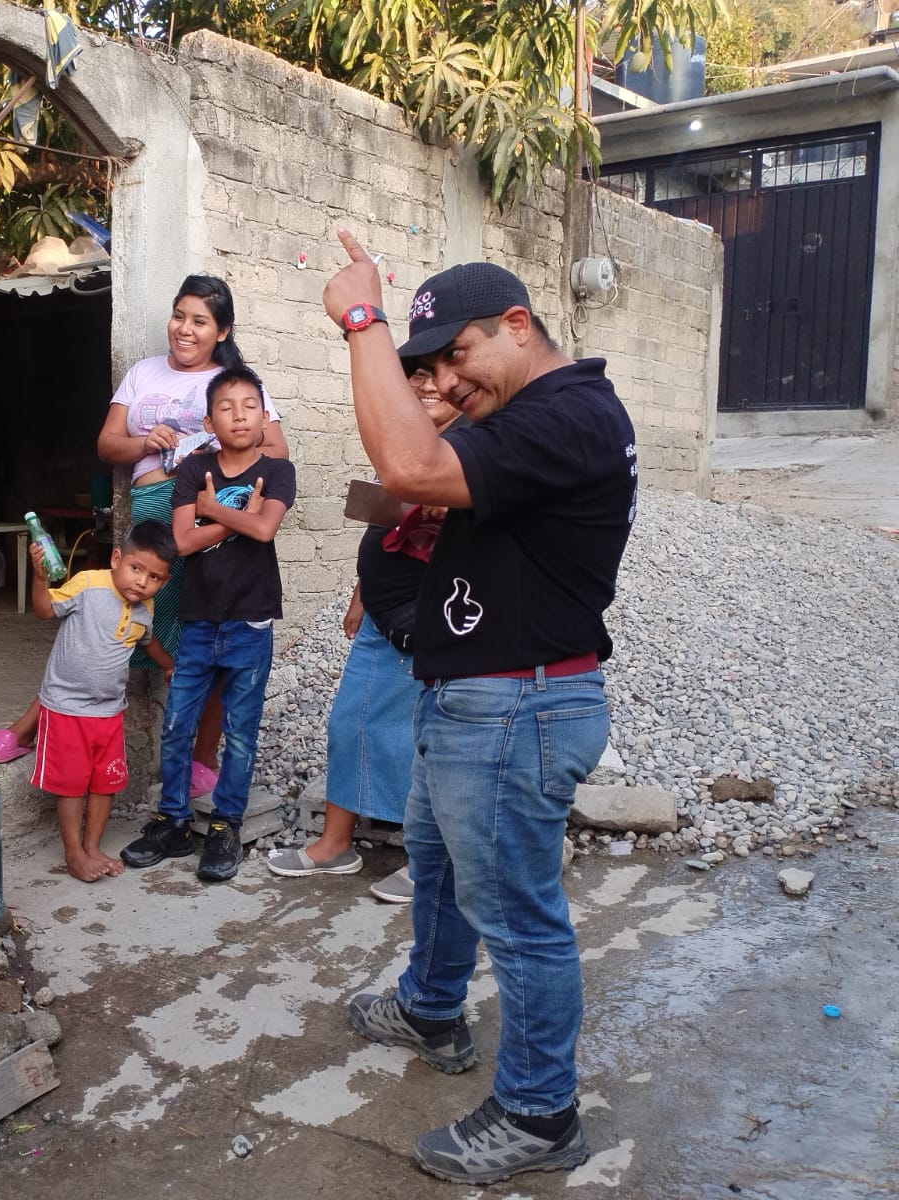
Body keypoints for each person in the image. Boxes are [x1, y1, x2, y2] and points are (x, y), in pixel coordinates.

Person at [321, 239, 636, 1186]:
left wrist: (362, 319)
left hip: (516, 708)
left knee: (518, 916)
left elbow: (410, 465)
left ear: (516, 323)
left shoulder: (571, 411)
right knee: (437, 862)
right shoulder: (534, 418)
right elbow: (414, 477)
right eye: (430, 371)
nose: (448, 385)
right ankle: (431, 1005)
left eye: (456, 358)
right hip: (478, 698)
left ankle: (541, 1114)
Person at [0, 276, 289, 781]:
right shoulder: (143, 372)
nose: (185, 329)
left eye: (200, 321)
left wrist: (219, 450)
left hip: (207, 510)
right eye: (179, 315)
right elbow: (106, 445)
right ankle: (31, 727)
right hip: (150, 512)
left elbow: (277, 451)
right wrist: (146, 443)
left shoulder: (237, 386)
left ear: (222, 331)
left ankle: (203, 758)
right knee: (105, 620)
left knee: (207, 633)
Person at [265, 368, 463, 903]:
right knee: (349, 722)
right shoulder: (410, 448)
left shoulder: (469, 454)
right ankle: (336, 844)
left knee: (416, 738)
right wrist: (361, 592)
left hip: (426, 624)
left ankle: (429, 861)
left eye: (436, 376)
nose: (425, 386)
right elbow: (388, 529)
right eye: (415, 376)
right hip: (381, 613)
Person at [119, 365, 297, 883]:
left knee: (240, 733)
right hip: (198, 620)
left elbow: (265, 530)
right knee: (177, 727)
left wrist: (211, 510)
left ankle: (225, 827)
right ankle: (171, 821)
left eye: (249, 407)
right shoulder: (196, 468)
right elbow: (183, 542)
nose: (238, 416)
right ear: (207, 419)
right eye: (226, 407)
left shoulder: (278, 470)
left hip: (251, 620)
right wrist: (232, 514)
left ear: (265, 417)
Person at [28, 520, 176, 882]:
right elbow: (46, 610)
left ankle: (92, 846)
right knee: (72, 785)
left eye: (155, 577)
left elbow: (146, 640)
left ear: (164, 582)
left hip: (109, 711)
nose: (142, 582)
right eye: (136, 568)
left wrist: (171, 664)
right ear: (116, 559)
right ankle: (73, 853)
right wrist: (39, 578)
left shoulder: (145, 609)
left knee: (105, 783)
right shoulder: (89, 584)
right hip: (66, 707)